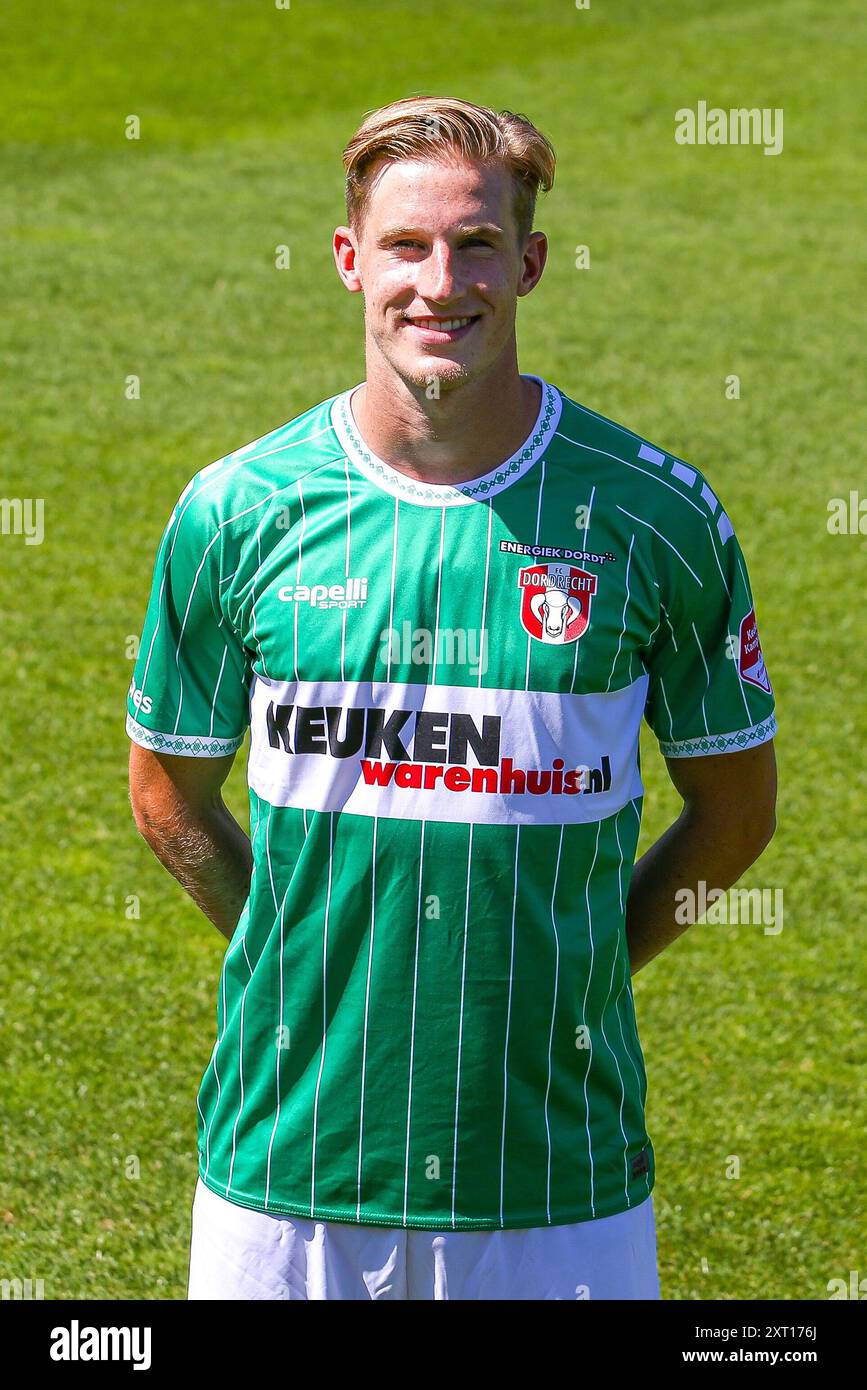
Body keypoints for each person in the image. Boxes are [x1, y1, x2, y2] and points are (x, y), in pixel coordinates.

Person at [126, 96, 777, 1300]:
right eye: (406, 247)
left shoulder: (656, 519)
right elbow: (167, 791)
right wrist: (299, 956)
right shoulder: (235, 511)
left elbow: (736, 818)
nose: (440, 283)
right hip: (284, 1178)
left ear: (528, 262)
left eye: (476, 244)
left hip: (554, 1185)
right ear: (347, 260)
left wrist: (578, 970)